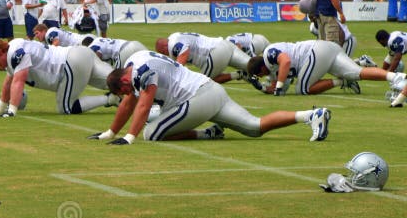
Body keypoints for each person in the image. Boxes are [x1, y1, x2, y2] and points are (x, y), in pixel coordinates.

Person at [89, 50, 333, 145]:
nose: (125, 96)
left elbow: (140, 104)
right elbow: (131, 102)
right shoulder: (136, 59)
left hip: (196, 97)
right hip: (210, 90)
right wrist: (110, 132)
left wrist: (129, 137)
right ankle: (311, 115)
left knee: (151, 133)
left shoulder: (141, 72)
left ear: (123, 81)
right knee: (253, 127)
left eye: (122, 91)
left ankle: (207, 133)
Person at [0, 38, 118, 118]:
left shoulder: (14, 54)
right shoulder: (14, 47)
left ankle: (111, 99)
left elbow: (19, 81)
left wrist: (11, 110)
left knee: (66, 108)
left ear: (0, 52)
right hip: (80, 52)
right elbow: (8, 82)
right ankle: (134, 93)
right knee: (116, 82)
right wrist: (1, 107)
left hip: (69, 63)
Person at [247, 39, 405, 96]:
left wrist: (279, 86)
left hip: (315, 52)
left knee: (303, 89)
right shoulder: (273, 68)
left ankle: (341, 82)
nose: (264, 78)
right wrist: (262, 88)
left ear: (261, 68)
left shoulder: (269, 54)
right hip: (326, 49)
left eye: (261, 76)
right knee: (357, 73)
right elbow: (277, 89)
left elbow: (286, 61)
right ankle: (396, 77)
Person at [155, 32, 258, 86]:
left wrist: (175, 74)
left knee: (202, 83)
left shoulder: (173, 44)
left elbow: (183, 52)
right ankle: (270, 77)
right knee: (253, 64)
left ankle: (239, 75)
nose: (166, 54)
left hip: (214, 52)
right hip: (224, 44)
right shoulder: (175, 36)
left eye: (163, 52)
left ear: (164, 48)